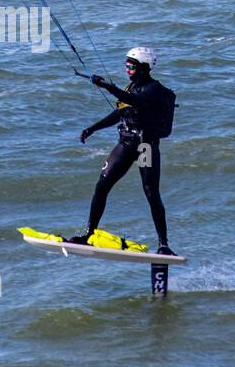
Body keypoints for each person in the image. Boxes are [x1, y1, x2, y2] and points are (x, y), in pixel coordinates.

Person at [70, 47, 175, 256]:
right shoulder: (132, 87)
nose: (127, 69)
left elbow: (136, 102)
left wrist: (107, 86)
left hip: (145, 146)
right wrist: (92, 128)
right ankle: (89, 235)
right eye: (126, 65)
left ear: (144, 68)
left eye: (131, 66)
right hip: (126, 144)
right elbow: (121, 112)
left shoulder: (153, 89)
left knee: (150, 192)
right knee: (102, 185)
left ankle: (163, 245)